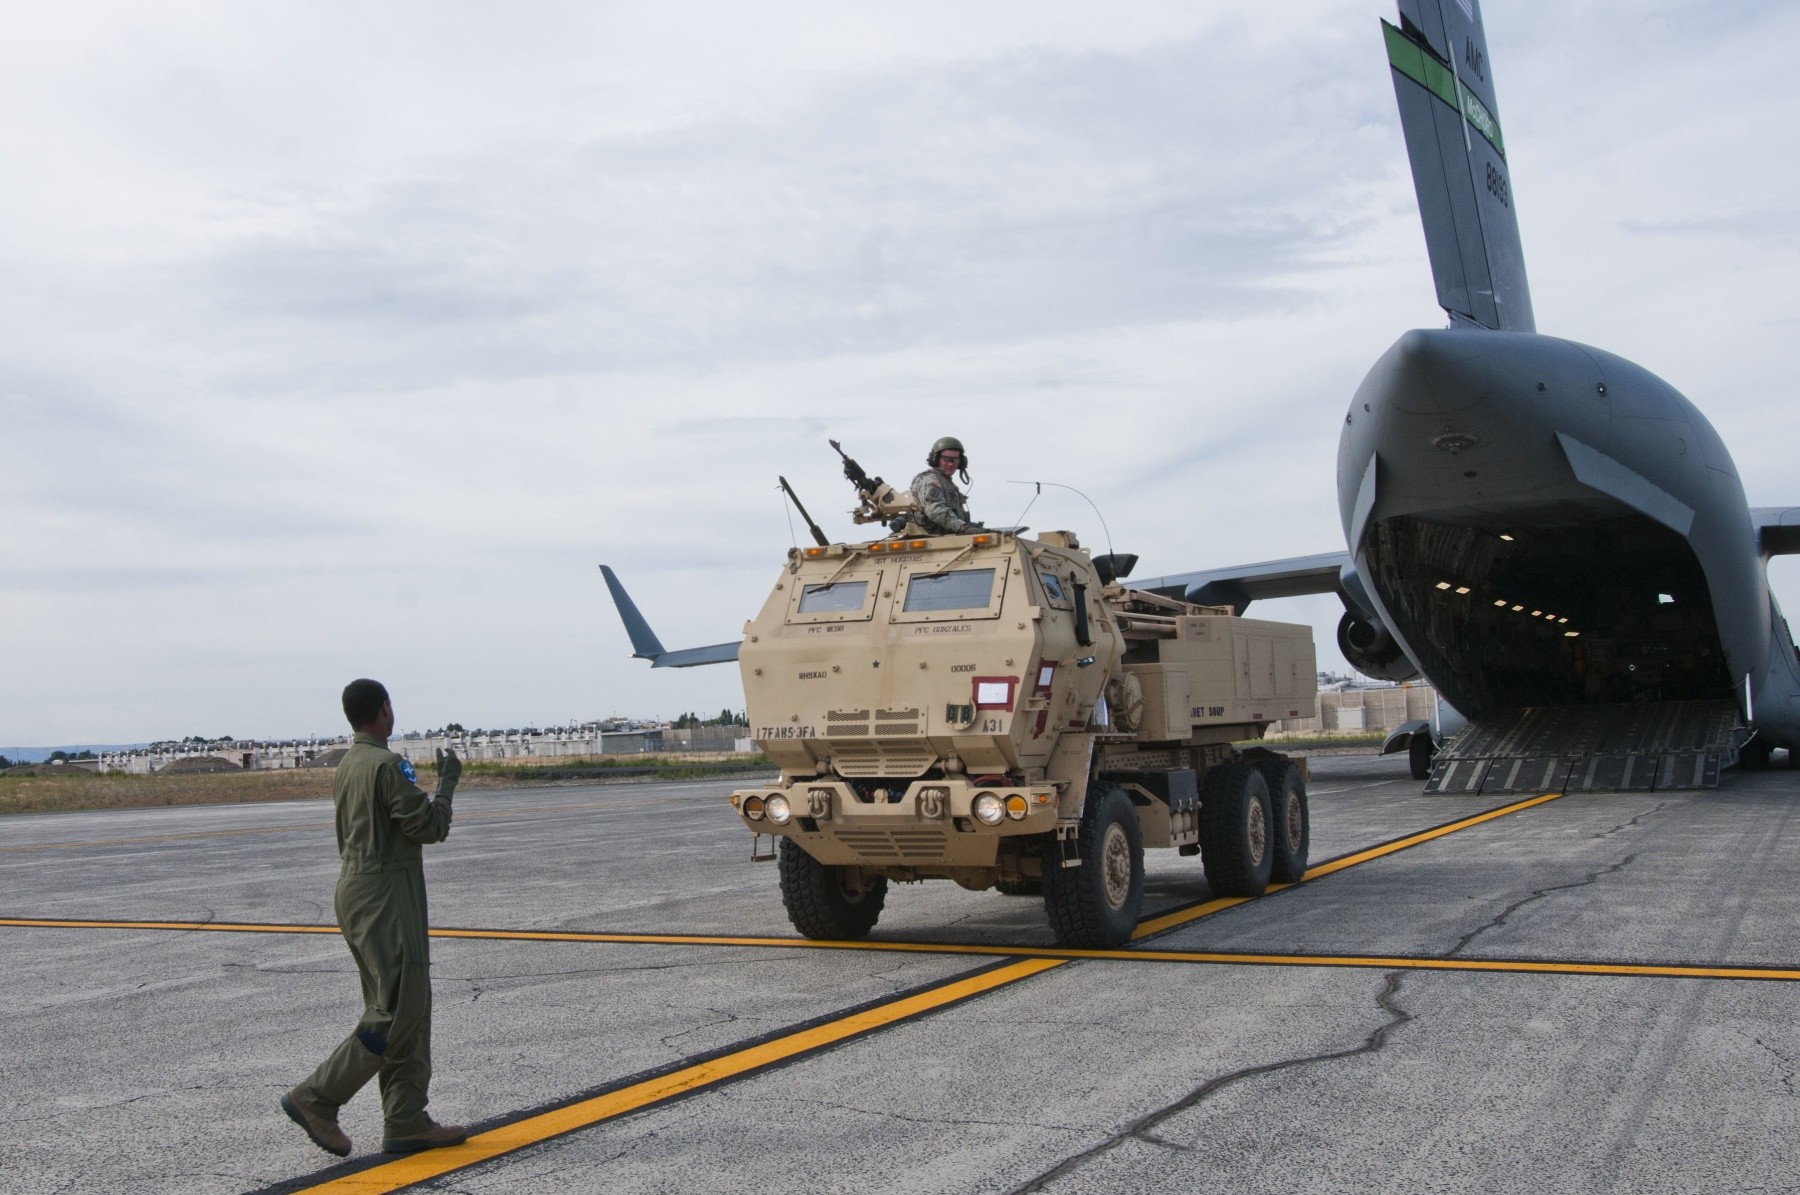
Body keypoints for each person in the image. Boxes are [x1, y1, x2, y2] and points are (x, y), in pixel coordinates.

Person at [281, 679, 466, 1157]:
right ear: (383, 710)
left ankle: (406, 1120)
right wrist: (447, 784)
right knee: (397, 1010)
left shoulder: (348, 765)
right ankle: (316, 1097)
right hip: (387, 895)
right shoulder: (387, 765)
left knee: (407, 1004)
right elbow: (429, 826)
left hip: (357, 890)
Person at [910, 436, 982, 535]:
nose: (951, 464)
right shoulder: (929, 480)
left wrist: (971, 527)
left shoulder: (948, 484)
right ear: (935, 459)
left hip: (948, 536)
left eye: (955, 459)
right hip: (932, 538)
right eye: (947, 459)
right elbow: (935, 510)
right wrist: (962, 527)